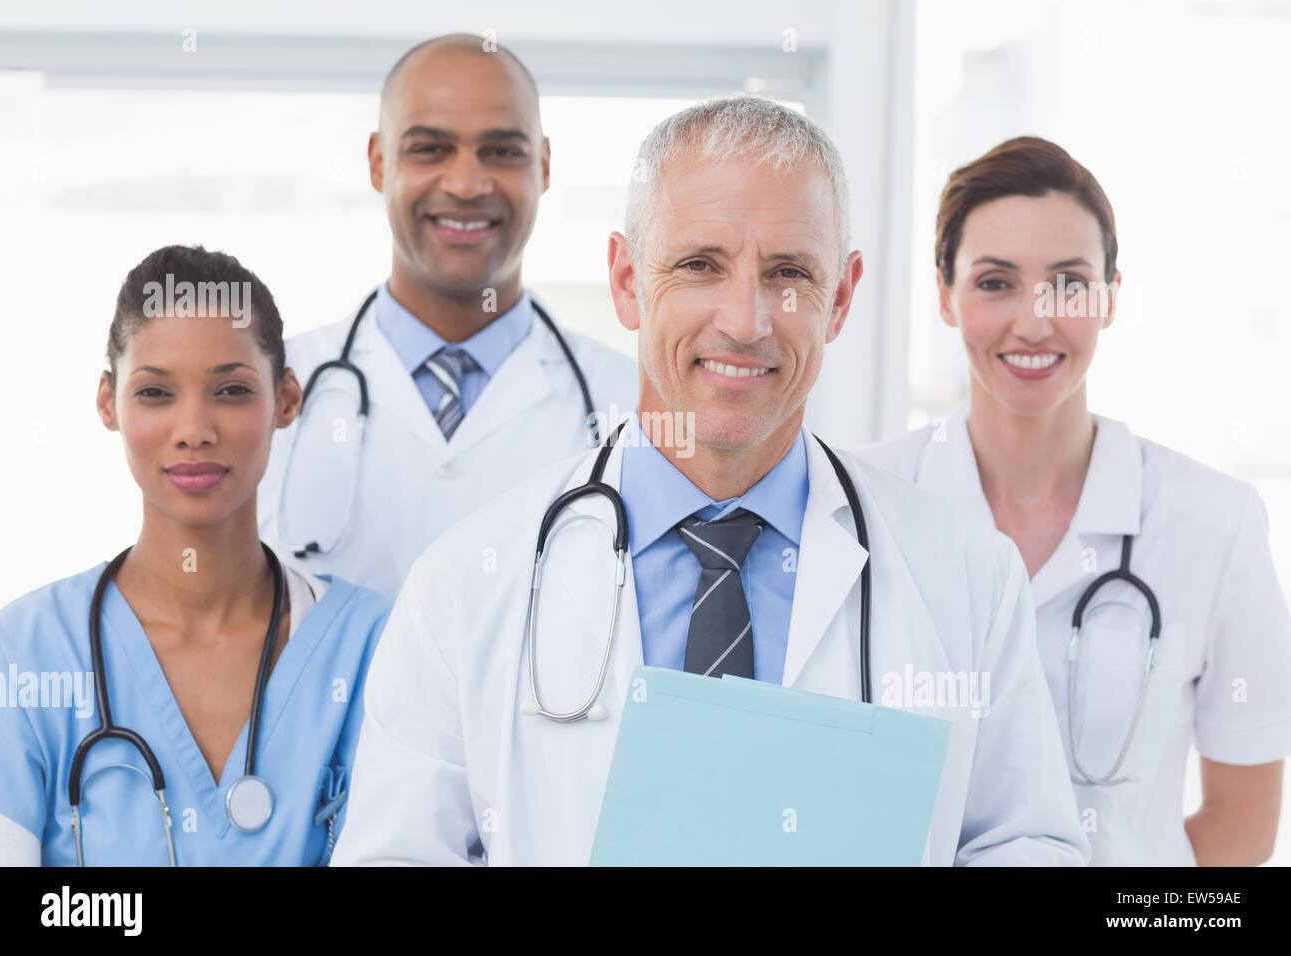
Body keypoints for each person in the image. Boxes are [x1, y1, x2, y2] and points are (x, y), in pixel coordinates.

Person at [331, 97, 1089, 866]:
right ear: (627, 282)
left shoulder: (963, 572)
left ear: (841, 298)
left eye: (789, 272)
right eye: (700, 265)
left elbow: (1028, 842)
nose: (745, 319)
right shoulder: (464, 585)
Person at [861, 136, 1291, 865]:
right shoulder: (865, 504)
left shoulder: (1215, 523)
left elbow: (1242, 827)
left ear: (1111, 297)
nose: (1034, 321)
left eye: (1068, 282)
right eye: (995, 282)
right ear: (944, 293)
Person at [0, 245, 391, 866]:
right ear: (108, 402)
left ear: (287, 399)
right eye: (155, 393)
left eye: (231, 390)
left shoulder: (377, 646)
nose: (194, 428)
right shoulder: (23, 656)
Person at [257, 34, 637, 597]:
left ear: (545, 165)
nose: (466, 185)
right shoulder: (267, 392)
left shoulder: (631, 404)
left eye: (502, 151)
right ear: (378, 162)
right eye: (430, 149)